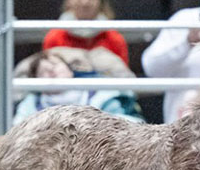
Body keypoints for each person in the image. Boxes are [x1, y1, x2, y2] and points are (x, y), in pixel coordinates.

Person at [13, 51, 143, 125]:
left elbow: (130, 125)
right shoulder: (30, 106)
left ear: (70, 70)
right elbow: (17, 132)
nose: (51, 71)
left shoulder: (104, 93)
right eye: (43, 72)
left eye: (55, 64)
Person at [42, 0, 129, 65]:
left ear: (100, 1)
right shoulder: (54, 38)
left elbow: (122, 72)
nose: (84, 2)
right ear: (69, 0)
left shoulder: (114, 39)